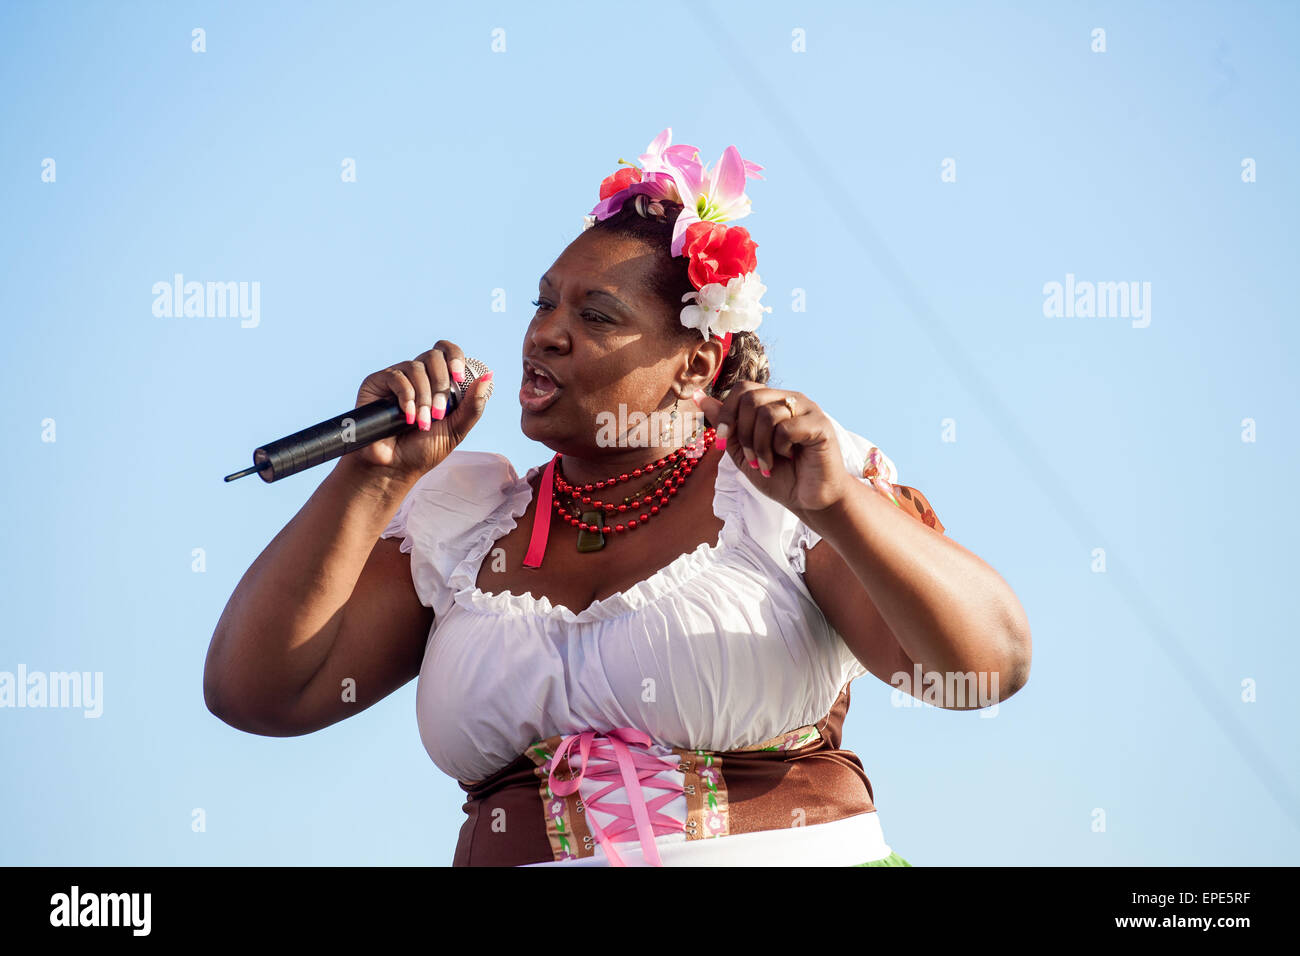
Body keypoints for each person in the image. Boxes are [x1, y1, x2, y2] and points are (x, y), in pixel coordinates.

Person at [204, 129, 1032, 866]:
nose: (546, 332)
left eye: (597, 315)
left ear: (697, 365)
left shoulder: (779, 493)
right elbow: (259, 693)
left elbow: (986, 668)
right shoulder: (467, 524)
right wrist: (375, 476)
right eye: (543, 302)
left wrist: (840, 507)